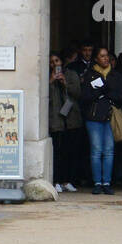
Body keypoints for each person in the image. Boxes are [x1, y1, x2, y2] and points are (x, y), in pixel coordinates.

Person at [77, 46, 122, 194]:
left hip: (111, 116)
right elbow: (84, 97)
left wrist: (107, 92)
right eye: (102, 56)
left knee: (109, 151)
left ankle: (107, 182)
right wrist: (99, 92)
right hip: (94, 116)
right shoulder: (89, 75)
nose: (105, 59)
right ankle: (98, 182)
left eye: (107, 56)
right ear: (96, 59)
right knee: (96, 150)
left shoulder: (116, 75)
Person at [47, 52, 83, 193]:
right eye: (51, 62)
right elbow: (44, 96)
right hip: (56, 120)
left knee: (70, 152)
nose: (55, 64)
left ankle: (67, 180)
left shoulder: (71, 74)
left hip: (71, 119)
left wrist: (65, 83)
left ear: (62, 61)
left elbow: (78, 93)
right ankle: (56, 180)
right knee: (57, 152)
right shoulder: (46, 77)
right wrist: (51, 81)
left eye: (57, 61)